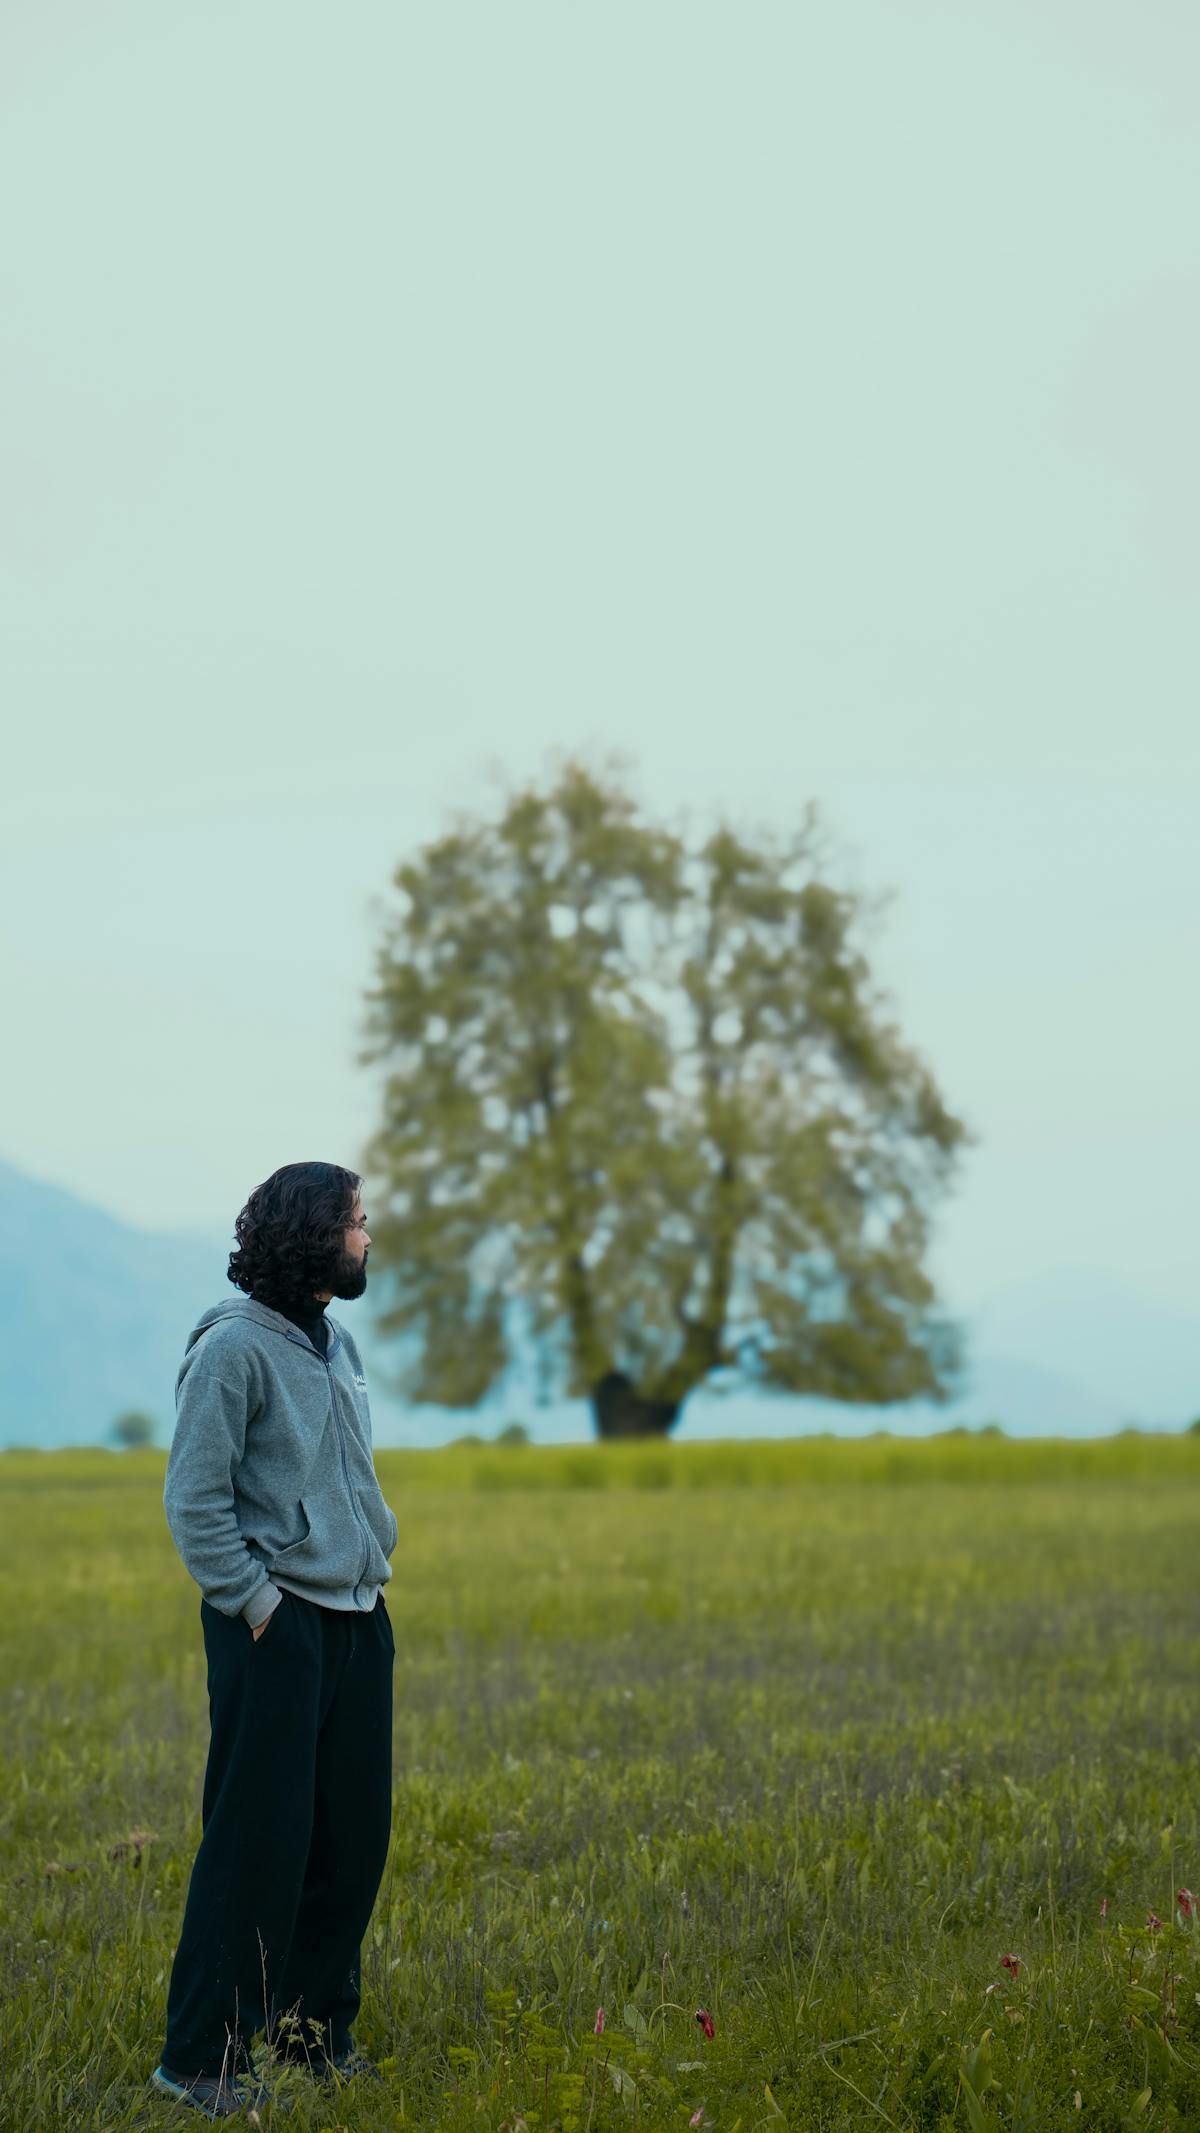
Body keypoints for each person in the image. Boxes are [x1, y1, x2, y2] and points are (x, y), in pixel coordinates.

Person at [151, 1161, 397, 2119]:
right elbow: (195, 1499)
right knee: (258, 1843)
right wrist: (256, 1604)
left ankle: (311, 2037)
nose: (369, 1239)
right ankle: (198, 2057)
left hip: (356, 1617)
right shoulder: (231, 1348)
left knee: (349, 1838)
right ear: (315, 1235)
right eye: (358, 1224)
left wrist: (368, 1586)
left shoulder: (335, 1343)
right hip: (274, 1625)